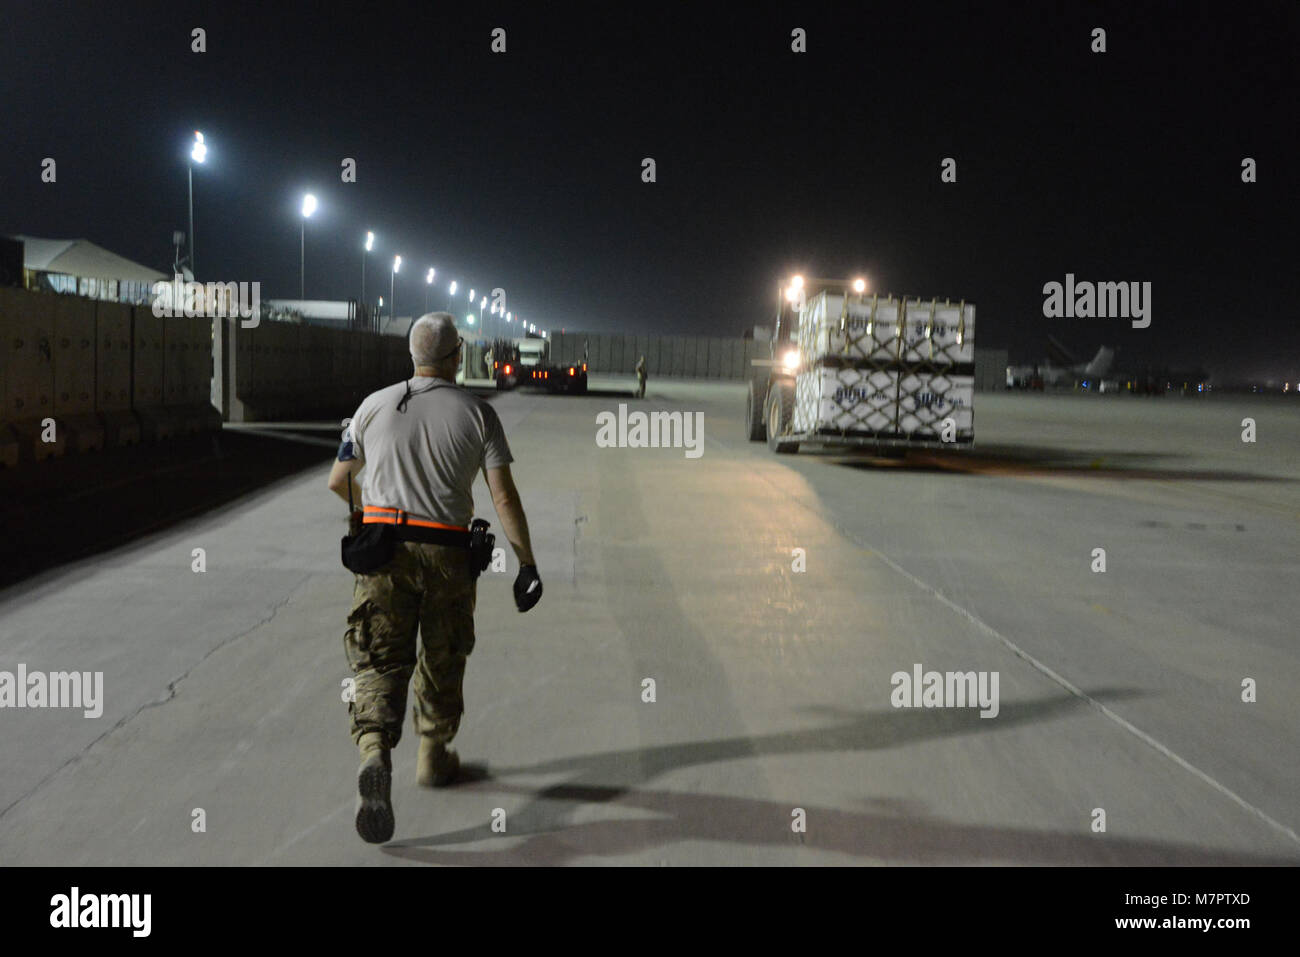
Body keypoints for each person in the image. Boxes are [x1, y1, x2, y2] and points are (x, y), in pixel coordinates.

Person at [328, 312, 543, 844]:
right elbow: (504, 497)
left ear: (412, 355)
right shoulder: (477, 414)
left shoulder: (372, 406)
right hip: (448, 554)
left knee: (380, 659)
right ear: (456, 357)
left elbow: (338, 481)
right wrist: (527, 564)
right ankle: (433, 754)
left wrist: (367, 513)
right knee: (443, 655)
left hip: (384, 552)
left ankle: (375, 752)